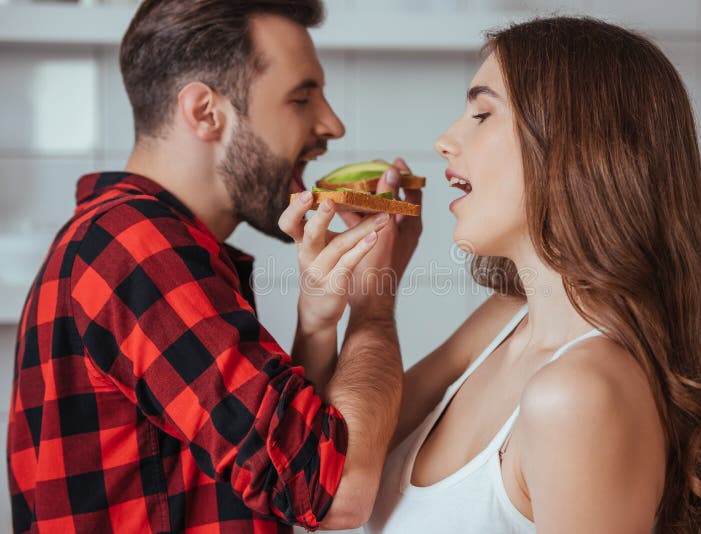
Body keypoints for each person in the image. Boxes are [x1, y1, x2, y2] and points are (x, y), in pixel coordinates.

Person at [7, 1, 421, 532]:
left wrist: (317, 325)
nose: (332, 124)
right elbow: (334, 492)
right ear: (206, 112)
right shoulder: (137, 244)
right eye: (301, 98)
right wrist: (374, 303)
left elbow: (286, 471)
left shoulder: (132, 238)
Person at [366, 17, 701, 534]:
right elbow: (334, 481)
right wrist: (364, 296)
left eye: (482, 114)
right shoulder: (502, 324)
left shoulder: (577, 394)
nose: (444, 141)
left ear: (577, 147)